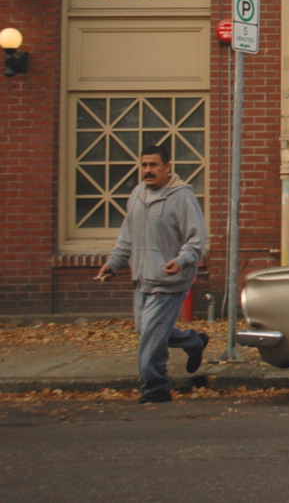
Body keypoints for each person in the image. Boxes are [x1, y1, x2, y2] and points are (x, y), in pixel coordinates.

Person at [97, 143, 209, 403]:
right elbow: (127, 237)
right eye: (144, 165)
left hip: (170, 281)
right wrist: (113, 264)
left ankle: (156, 387)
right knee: (146, 331)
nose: (148, 170)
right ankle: (193, 341)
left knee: (151, 336)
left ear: (167, 167)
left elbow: (196, 239)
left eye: (153, 165)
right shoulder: (138, 195)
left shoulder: (182, 197)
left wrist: (182, 261)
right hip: (143, 280)